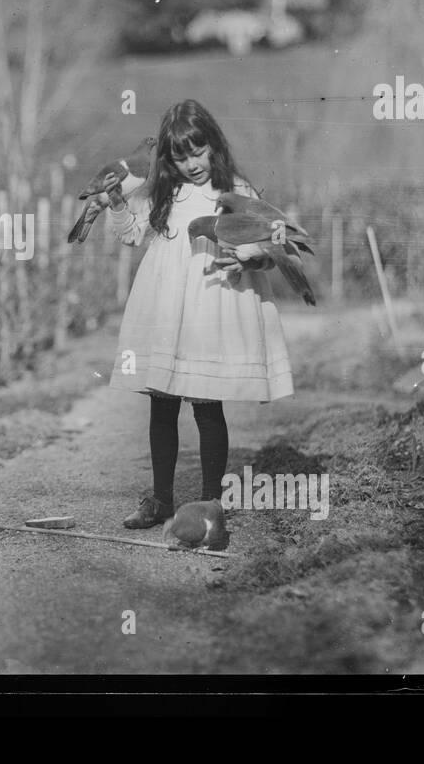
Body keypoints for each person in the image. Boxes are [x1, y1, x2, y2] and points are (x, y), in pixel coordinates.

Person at [105, 99, 295, 531]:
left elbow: (269, 245)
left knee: (207, 404)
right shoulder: (163, 191)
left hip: (212, 302)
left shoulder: (237, 190)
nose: (191, 163)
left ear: (214, 144)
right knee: (162, 402)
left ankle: (211, 502)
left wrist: (250, 259)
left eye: (198, 151)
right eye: (180, 156)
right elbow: (132, 235)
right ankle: (161, 499)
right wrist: (116, 203)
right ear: (168, 158)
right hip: (167, 304)